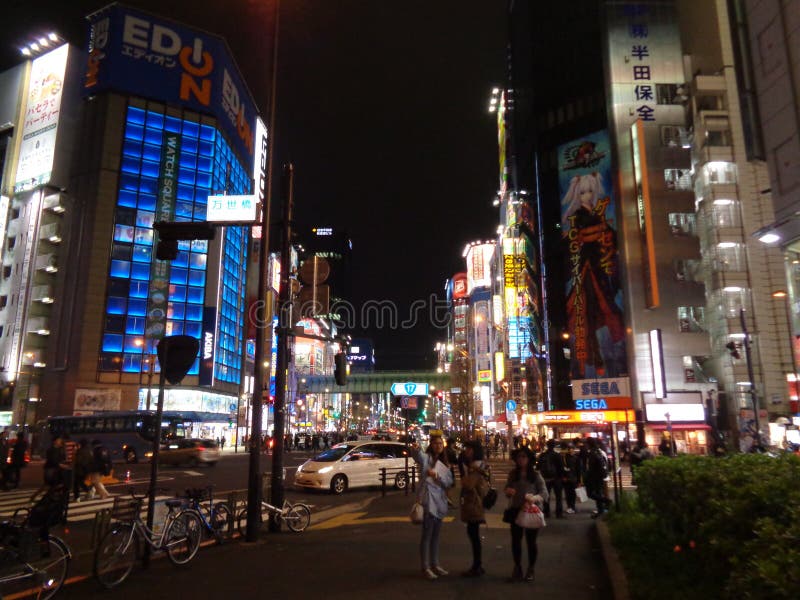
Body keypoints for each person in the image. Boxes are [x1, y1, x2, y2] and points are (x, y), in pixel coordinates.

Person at [504, 448, 548, 582]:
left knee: (531, 542)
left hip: (532, 511)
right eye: (518, 457)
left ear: (529, 459)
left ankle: (531, 569)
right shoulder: (513, 474)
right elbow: (507, 489)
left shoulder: (535, 475)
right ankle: (517, 567)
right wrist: (508, 491)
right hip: (516, 510)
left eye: (523, 457)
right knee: (516, 541)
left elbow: (544, 493)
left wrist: (533, 499)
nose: (521, 459)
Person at [414, 434, 454, 580]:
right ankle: (425, 567)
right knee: (427, 535)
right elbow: (417, 455)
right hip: (428, 501)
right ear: (431, 445)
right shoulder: (426, 459)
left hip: (440, 501)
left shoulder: (445, 462)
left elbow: (449, 482)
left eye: (440, 443)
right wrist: (416, 449)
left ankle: (435, 564)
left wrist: (438, 476)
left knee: (436, 535)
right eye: (435, 443)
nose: (438, 445)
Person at [459, 440, 490, 577]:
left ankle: (477, 566)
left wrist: (464, 475)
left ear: (475, 451)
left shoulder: (476, 467)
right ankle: (477, 565)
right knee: (474, 535)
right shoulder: (477, 466)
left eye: (469, 449)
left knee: (474, 535)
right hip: (475, 503)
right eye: (466, 449)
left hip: (474, 505)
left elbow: (468, 485)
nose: (466, 451)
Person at [536, 439, 565, 519]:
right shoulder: (558, 455)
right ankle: (559, 513)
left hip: (546, 479)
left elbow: (538, 467)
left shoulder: (542, 455)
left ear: (547, 445)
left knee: (546, 496)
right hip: (556, 478)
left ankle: (546, 512)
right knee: (558, 497)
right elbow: (561, 468)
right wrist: (562, 477)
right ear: (554, 446)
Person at [585, 437, 611, 518]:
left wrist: (587, 477)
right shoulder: (599, 451)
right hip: (601, 475)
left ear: (589, 444)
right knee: (598, 492)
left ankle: (606, 501)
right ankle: (601, 511)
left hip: (594, 476)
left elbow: (591, 467)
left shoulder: (592, 453)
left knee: (590, 493)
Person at [563, 443, 581, 514]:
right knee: (568, 493)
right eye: (569, 449)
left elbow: (578, 470)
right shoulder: (564, 458)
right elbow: (562, 469)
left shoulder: (576, 458)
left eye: (572, 448)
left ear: (573, 449)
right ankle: (570, 507)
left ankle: (572, 507)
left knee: (572, 494)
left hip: (574, 478)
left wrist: (579, 480)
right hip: (567, 478)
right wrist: (564, 477)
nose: (571, 450)